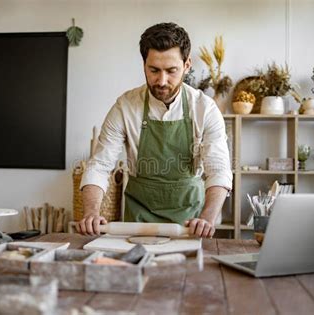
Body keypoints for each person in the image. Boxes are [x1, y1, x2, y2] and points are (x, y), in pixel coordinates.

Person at [78, 22, 232, 238]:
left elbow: (219, 169)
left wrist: (207, 217)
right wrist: (91, 213)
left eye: (171, 71)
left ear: (187, 65)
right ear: (144, 64)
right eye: (154, 70)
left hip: (190, 222)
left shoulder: (204, 109)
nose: (162, 81)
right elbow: (100, 165)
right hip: (138, 222)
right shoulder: (125, 107)